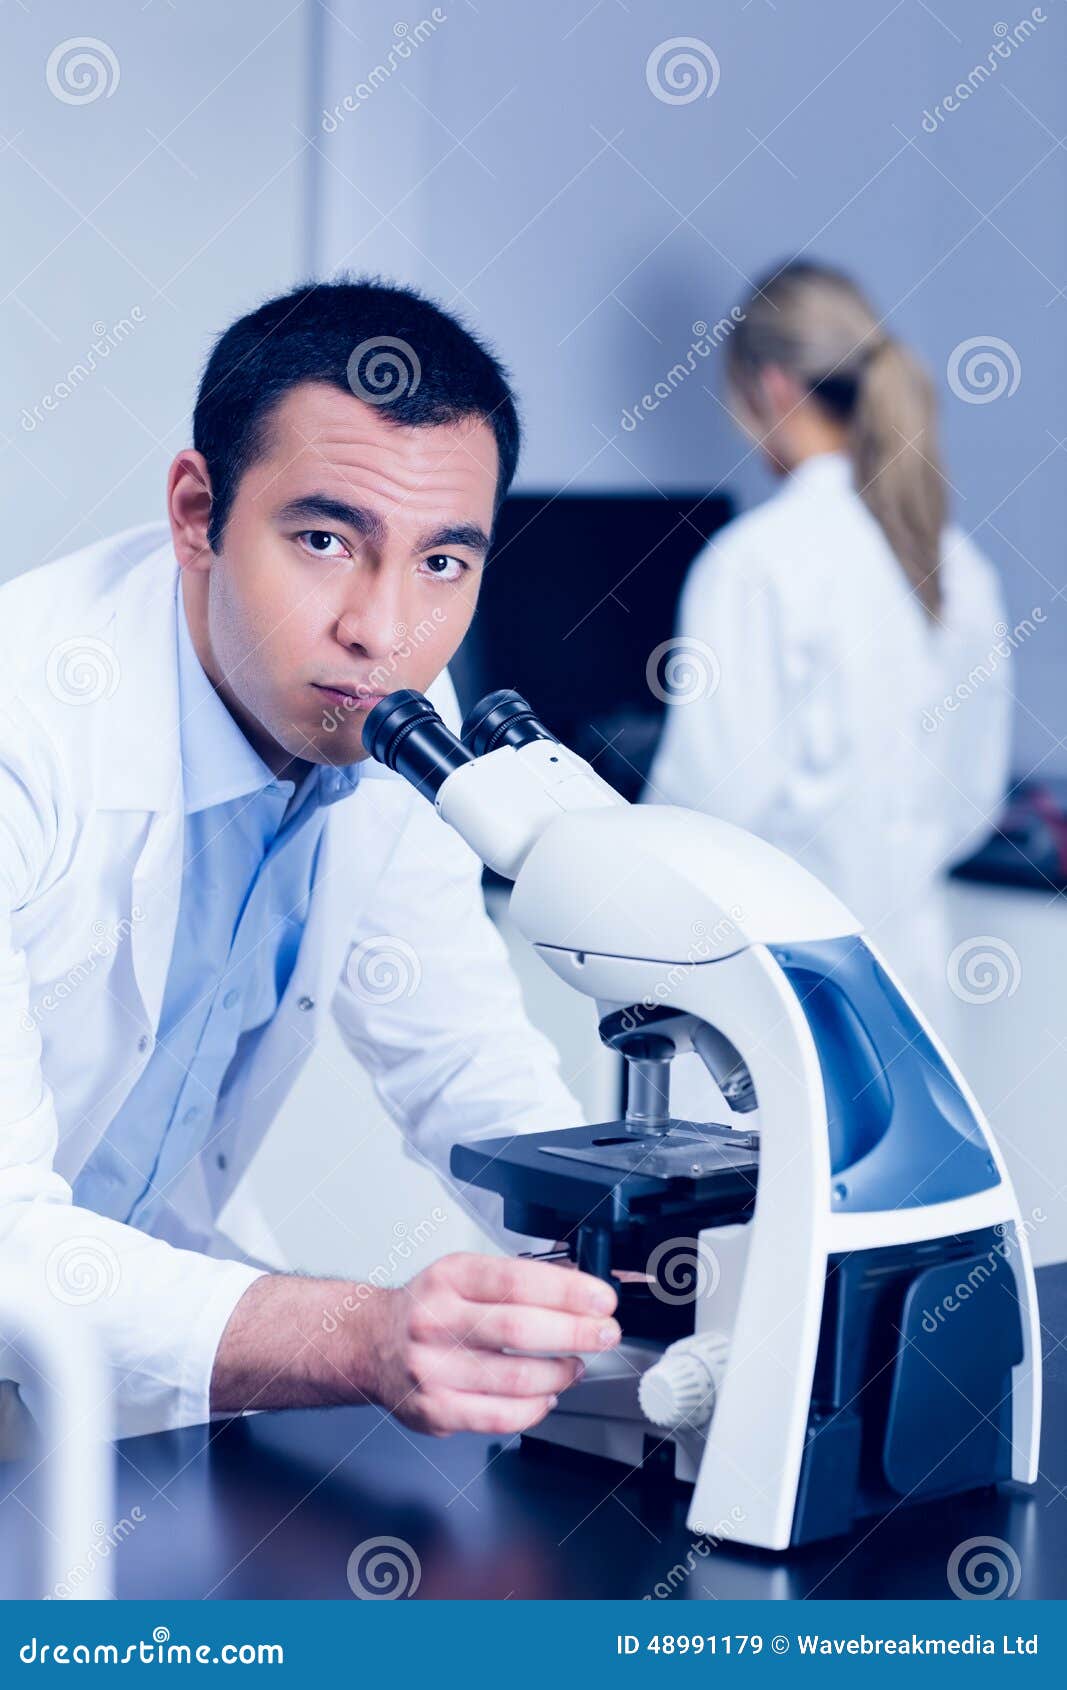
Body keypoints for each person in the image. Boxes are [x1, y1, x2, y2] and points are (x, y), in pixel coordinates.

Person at [0, 278, 621, 1445]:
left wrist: (621, 1267)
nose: (381, 631)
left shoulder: (390, 709)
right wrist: (361, 1335)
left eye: (442, 562)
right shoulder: (27, 731)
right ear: (198, 512)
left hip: (109, 1354)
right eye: (326, 541)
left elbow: (464, 1065)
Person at [646, 259, 1011, 1042]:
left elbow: (703, 811)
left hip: (773, 994)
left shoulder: (754, 562)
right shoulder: (959, 566)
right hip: (912, 991)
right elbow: (972, 802)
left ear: (771, 386)